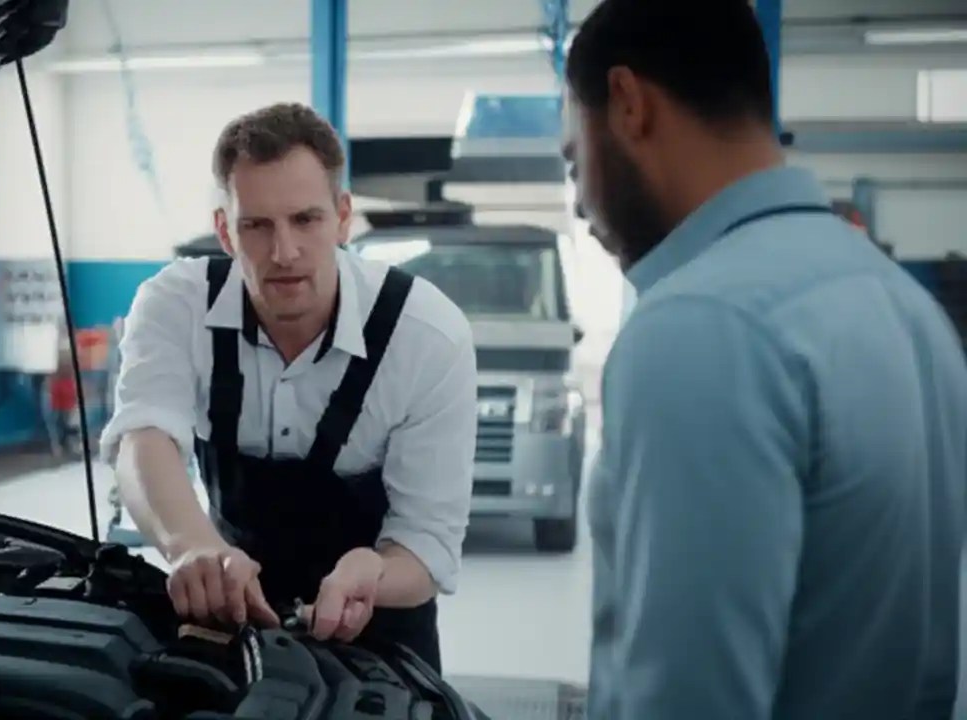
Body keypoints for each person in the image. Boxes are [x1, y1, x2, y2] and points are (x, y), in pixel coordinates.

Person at [562, 1, 967, 718]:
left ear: (628, 103)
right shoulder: (907, 309)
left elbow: (687, 701)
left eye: (573, 159)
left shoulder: (700, 328)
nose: (579, 201)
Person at [99, 102, 477, 672]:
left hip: (381, 632)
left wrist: (373, 572)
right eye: (257, 225)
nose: (284, 253)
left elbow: (427, 545)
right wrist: (193, 547)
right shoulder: (175, 305)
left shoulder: (426, 336)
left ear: (343, 218)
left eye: (306, 220)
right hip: (229, 621)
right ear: (225, 230)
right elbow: (143, 440)